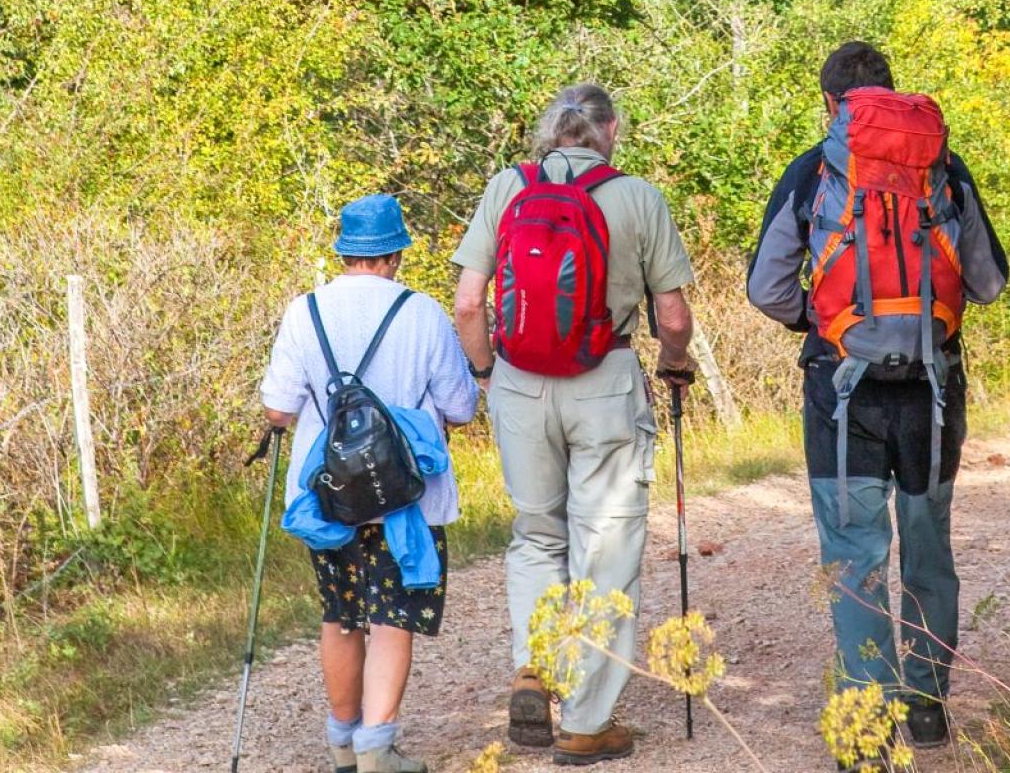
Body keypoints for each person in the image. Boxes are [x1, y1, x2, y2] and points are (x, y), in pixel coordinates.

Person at [746, 42, 1008, 757]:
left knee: (855, 556)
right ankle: (926, 704)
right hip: (933, 387)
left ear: (831, 105)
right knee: (926, 544)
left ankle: (864, 730)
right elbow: (987, 282)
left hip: (841, 391)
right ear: (893, 94)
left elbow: (765, 287)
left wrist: (827, 318)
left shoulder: (813, 171)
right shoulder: (944, 168)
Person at [451, 83, 698, 765]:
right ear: (609, 129)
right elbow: (672, 318)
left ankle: (535, 667)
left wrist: (484, 373)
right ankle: (587, 723)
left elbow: (470, 302)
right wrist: (675, 364)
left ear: (550, 131)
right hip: (605, 380)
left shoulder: (509, 186)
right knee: (606, 547)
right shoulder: (637, 196)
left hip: (520, 383)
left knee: (536, 534)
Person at [261, 194, 480, 773]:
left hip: (329, 497)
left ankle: (342, 745)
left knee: (340, 615)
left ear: (344, 251)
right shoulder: (423, 313)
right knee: (391, 620)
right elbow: (460, 407)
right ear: (397, 252)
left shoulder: (303, 311)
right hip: (405, 501)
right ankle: (377, 750)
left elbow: (278, 410)